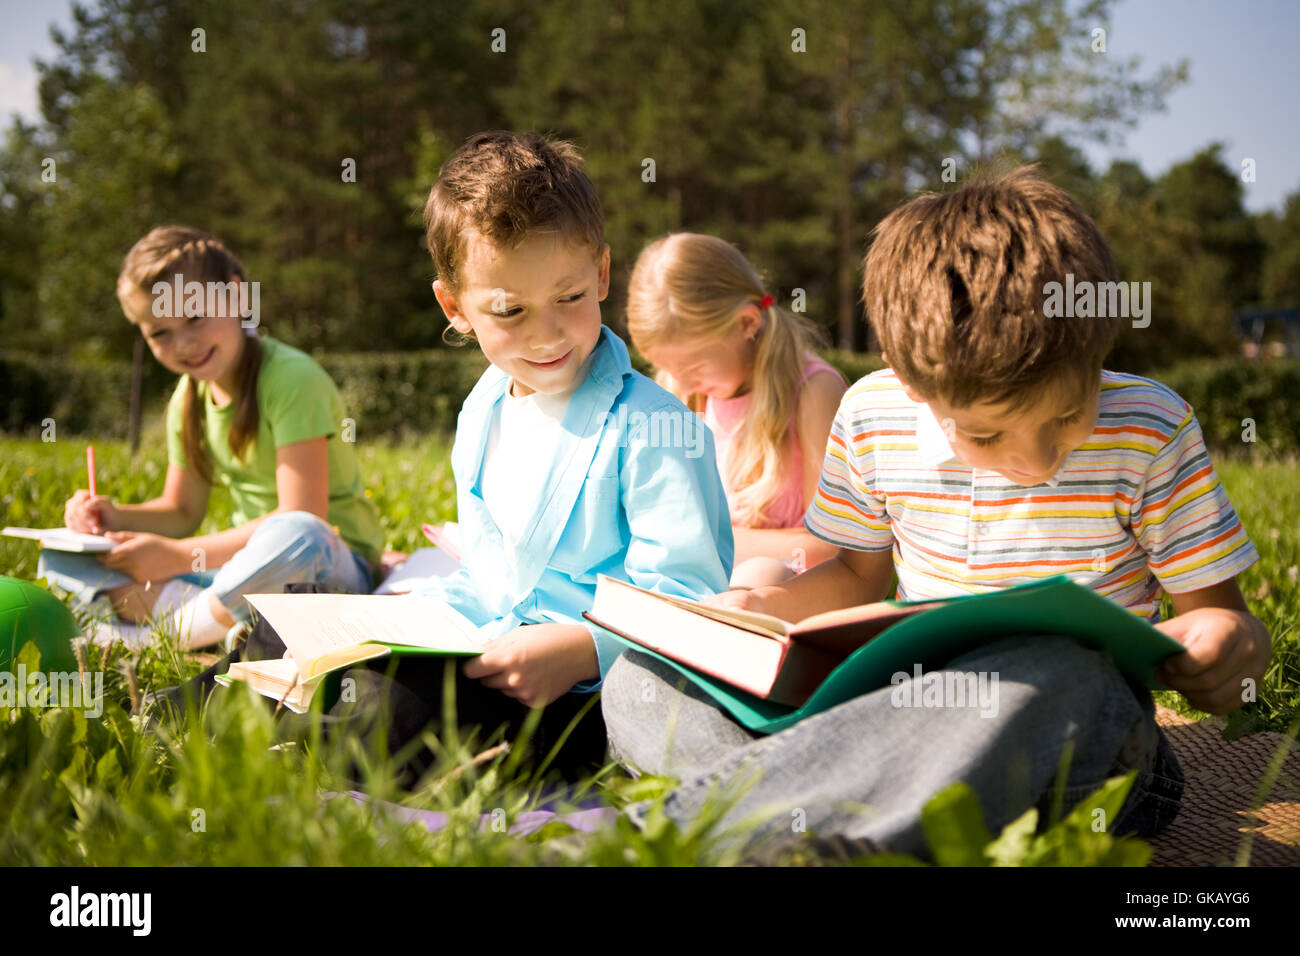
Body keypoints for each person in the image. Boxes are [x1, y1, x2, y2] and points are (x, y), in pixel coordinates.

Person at [599, 166, 1271, 859]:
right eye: (984, 434)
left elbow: (1220, 617)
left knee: (1062, 670)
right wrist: (766, 607)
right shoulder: (870, 416)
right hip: (898, 710)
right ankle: (794, 822)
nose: (1035, 461)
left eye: (1069, 416)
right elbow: (858, 578)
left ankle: (769, 828)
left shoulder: (1149, 427)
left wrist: (1230, 647)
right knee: (642, 678)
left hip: (1080, 739)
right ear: (908, 377)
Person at [271, 131, 734, 784]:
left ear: (601, 274)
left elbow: (691, 600)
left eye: (569, 298)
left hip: (582, 700)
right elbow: (488, 578)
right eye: (510, 310)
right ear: (455, 307)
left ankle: (276, 723)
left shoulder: (654, 428)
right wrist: (409, 617)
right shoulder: (482, 412)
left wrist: (583, 649)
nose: (546, 334)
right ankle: (245, 704)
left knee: (378, 715)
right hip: (486, 652)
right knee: (285, 636)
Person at [50, 226, 384, 649]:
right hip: (242, 570)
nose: (184, 344)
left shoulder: (291, 378)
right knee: (62, 558)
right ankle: (224, 623)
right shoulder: (188, 398)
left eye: (195, 318)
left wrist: (173, 556)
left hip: (330, 564)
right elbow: (181, 510)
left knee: (298, 533)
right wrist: (114, 517)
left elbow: (305, 516)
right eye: (159, 333)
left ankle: (164, 636)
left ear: (237, 298)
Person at [626, 233, 846, 588]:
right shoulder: (685, 394)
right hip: (706, 585)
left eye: (695, 367)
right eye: (667, 368)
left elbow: (830, 546)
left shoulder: (813, 392)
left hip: (786, 596)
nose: (685, 383)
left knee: (761, 573)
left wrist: (706, 538)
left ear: (746, 323)